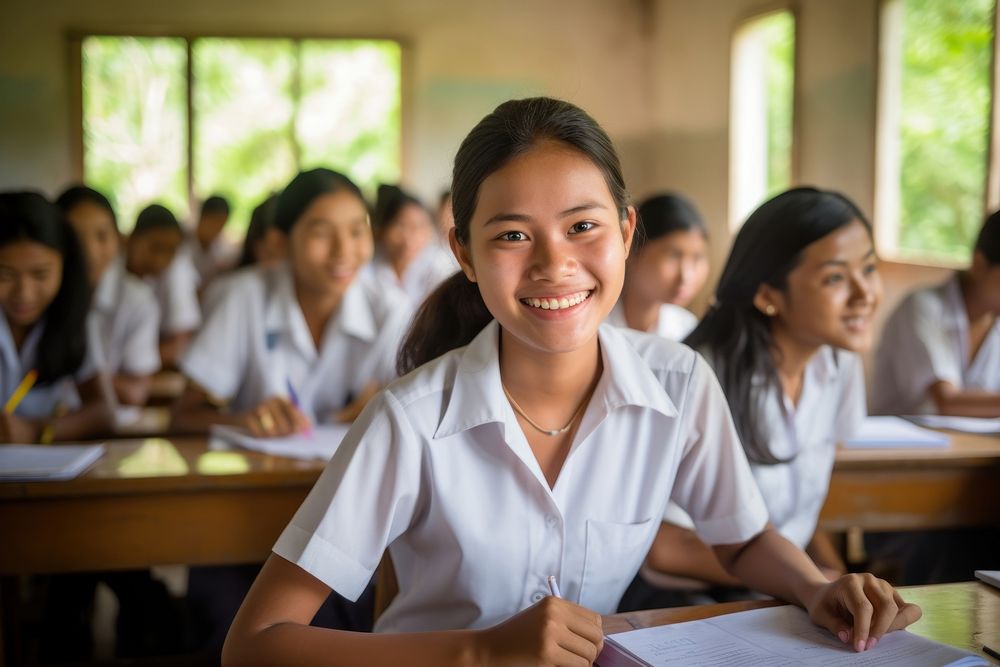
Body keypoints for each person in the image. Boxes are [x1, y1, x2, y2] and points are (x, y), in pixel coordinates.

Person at [222, 98, 920, 666]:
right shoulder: (408, 419)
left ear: (625, 230)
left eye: (583, 226)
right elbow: (253, 643)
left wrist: (814, 585)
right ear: (463, 252)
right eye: (512, 236)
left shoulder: (677, 383)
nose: (555, 265)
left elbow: (739, 537)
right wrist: (480, 651)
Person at [640, 187, 880, 604]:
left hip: (779, 588)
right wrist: (806, 580)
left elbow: (802, 506)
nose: (865, 295)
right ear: (768, 295)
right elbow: (666, 548)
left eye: (870, 269)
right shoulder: (700, 375)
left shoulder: (839, 365)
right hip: (685, 600)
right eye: (836, 278)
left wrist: (828, 572)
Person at [170, 169, 412, 437]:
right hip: (264, 475)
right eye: (322, 234)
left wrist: (385, 411)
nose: (344, 252)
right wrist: (246, 422)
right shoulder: (243, 298)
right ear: (279, 243)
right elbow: (184, 416)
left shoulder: (391, 309)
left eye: (357, 232)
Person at [0, 190, 111, 442]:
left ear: (65, 266)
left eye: (40, 275)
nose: (24, 294)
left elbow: (104, 411)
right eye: (5, 275)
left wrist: (34, 431)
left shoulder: (73, 316)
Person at [872, 210, 1000, 417]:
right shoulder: (922, 307)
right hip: (905, 448)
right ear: (979, 264)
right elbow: (947, 402)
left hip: (971, 447)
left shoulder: (994, 322)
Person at [57, 185, 160, 405]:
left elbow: (136, 391)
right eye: (75, 239)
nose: (90, 253)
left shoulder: (136, 299)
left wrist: (72, 378)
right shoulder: (35, 298)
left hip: (108, 429)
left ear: (119, 239)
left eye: (102, 237)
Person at [609, 193, 709, 340]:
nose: (686, 276)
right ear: (632, 248)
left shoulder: (687, 331)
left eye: (697, 258)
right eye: (674, 256)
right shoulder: (594, 324)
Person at [125, 203, 201, 368]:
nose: (160, 260)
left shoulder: (177, 272)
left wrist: (136, 362)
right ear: (132, 239)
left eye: (170, 251)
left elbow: (179, 344)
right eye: (155, 248)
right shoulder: (113, 271)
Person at [363, 184, 455, 307]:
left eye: (419, 226)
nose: (409, 237)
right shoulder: (367, 266)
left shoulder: (438, 265)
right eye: (401, 225)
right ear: (382, 229)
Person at [190, 194, 238, 282]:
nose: (216, 229)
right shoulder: (181, 244)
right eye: (213, 223)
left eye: (221, 225)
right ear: (202, 217)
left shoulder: (221, 250)